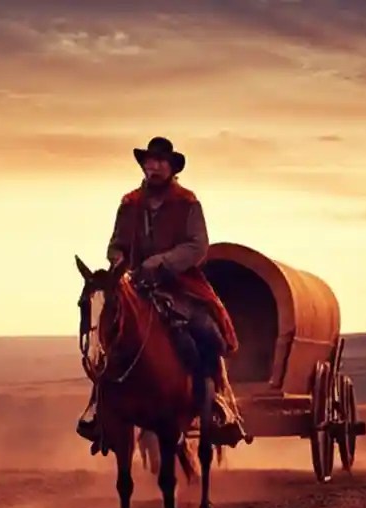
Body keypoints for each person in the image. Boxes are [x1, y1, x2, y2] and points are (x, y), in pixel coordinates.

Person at [76, 136, 247, 445]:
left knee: (207, 332)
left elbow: (198, 246)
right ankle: (98, 407)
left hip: (181, 284)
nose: (152, 167)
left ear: (171, 168)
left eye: (158, 162)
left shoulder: (187, 202)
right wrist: (118, 261)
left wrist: (162, 262)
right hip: (137, 283)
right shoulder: (129, 203)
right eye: (148, 162)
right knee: (110, 332)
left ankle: (219, 404)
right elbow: (116, 243)